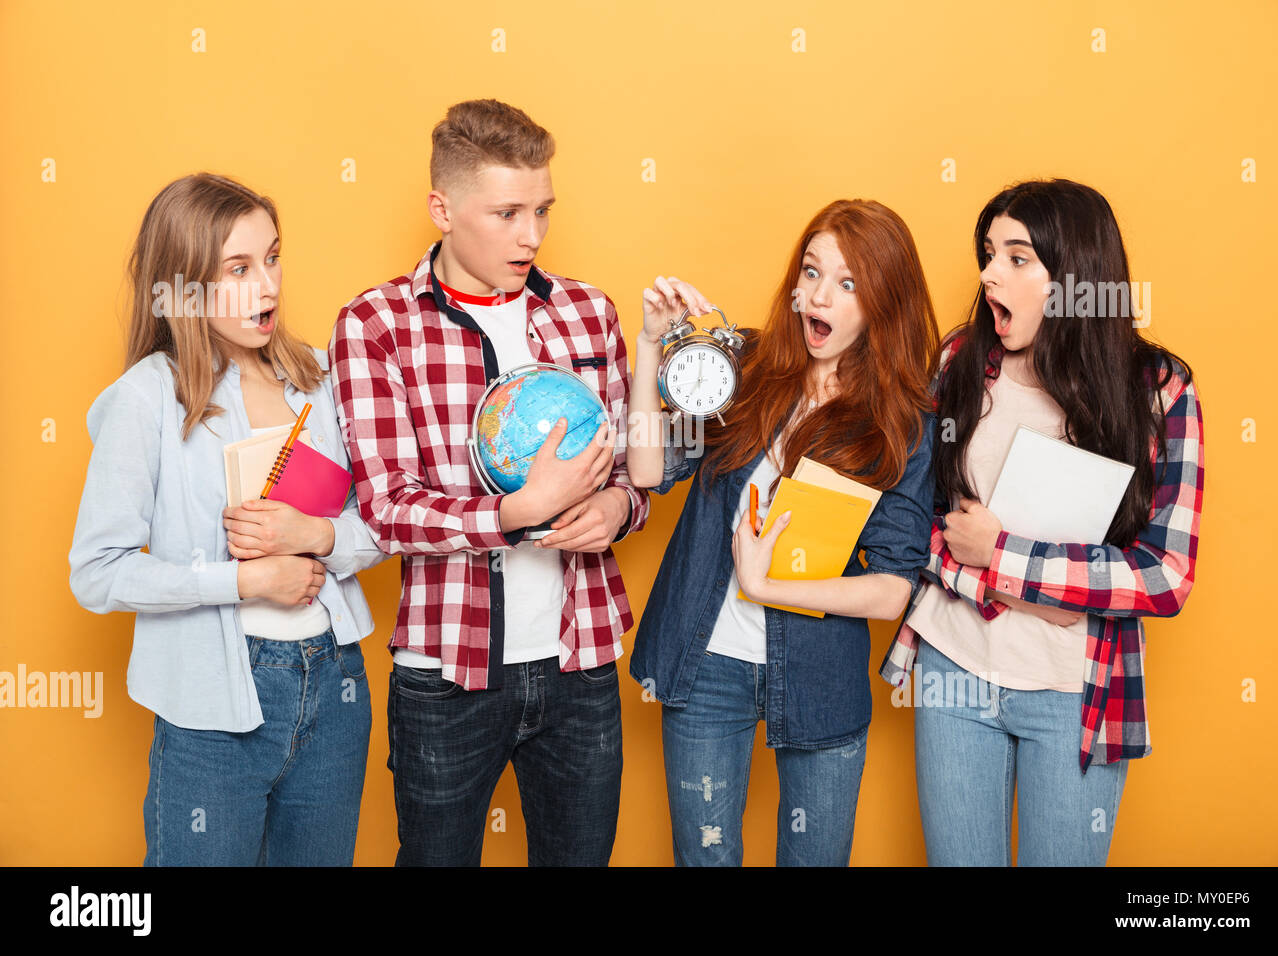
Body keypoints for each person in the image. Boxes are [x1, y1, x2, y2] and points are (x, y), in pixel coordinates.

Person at [330, 98, 650, 867]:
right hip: (449, 672)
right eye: (506, 214)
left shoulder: (588, 312)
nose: (531, 235)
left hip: (580, 663)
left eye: (542, 210)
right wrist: (517, 511)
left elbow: (633, 473)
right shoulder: (377, 325)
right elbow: (387, 508)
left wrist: (618, 506)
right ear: (442, 209)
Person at [880, 178, 1204, 866]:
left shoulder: (1159, 388)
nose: (988, 273)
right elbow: (911, 522)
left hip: (1076, 693)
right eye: (988, 254)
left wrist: (1002, 556)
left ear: (1076, 277)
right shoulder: (961, 360)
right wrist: (1013, 587)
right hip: (953, 669)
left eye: (1017, 257)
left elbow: (1166, 575)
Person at [68, 172, 386, 865]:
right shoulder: (147, 399)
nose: (266, 287)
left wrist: (318, 536)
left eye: (271, 258)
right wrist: (244, 581)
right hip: (210, 708)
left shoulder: (323, 378)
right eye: (238, 269)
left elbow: (384, 521)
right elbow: (97, 573)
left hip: (335, 686)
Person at [626, 199, 940, 866]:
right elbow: (649, 469)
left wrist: (766, 584)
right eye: (812, 272)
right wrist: (652, 345)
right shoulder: (745, 365)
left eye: (849, 283)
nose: (819, 296)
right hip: (706, 665)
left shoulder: (903, 424)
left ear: (885, 303)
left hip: (819, 675)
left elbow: (892, 590)